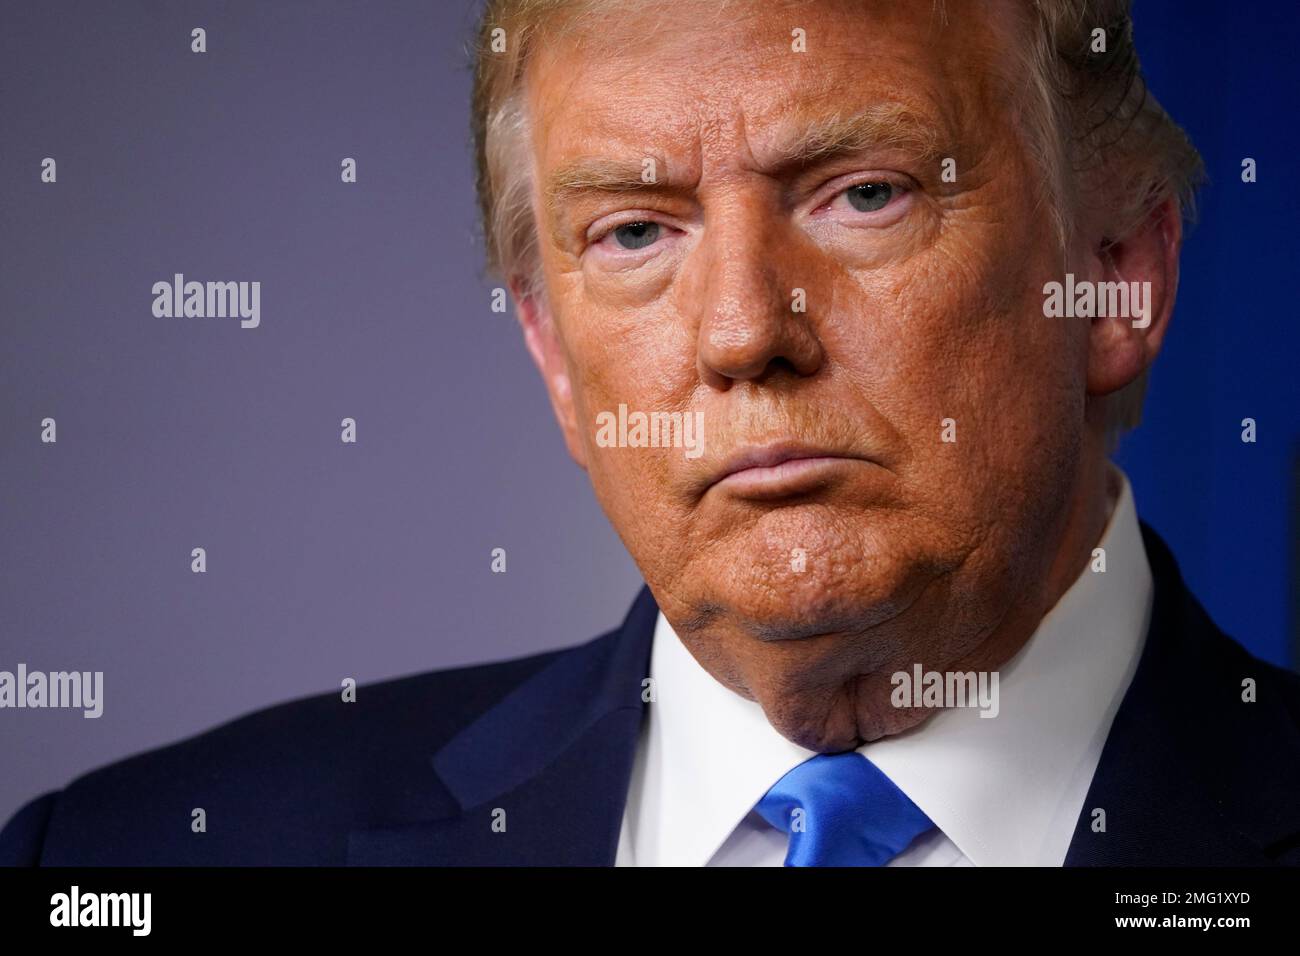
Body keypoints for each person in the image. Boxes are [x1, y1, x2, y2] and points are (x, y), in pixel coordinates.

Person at [4, 0, 1298, 867]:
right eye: (634, 231)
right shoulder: (131, 856)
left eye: (863, 194)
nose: (742, 332)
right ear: (554, 353)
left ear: (1119, 271)